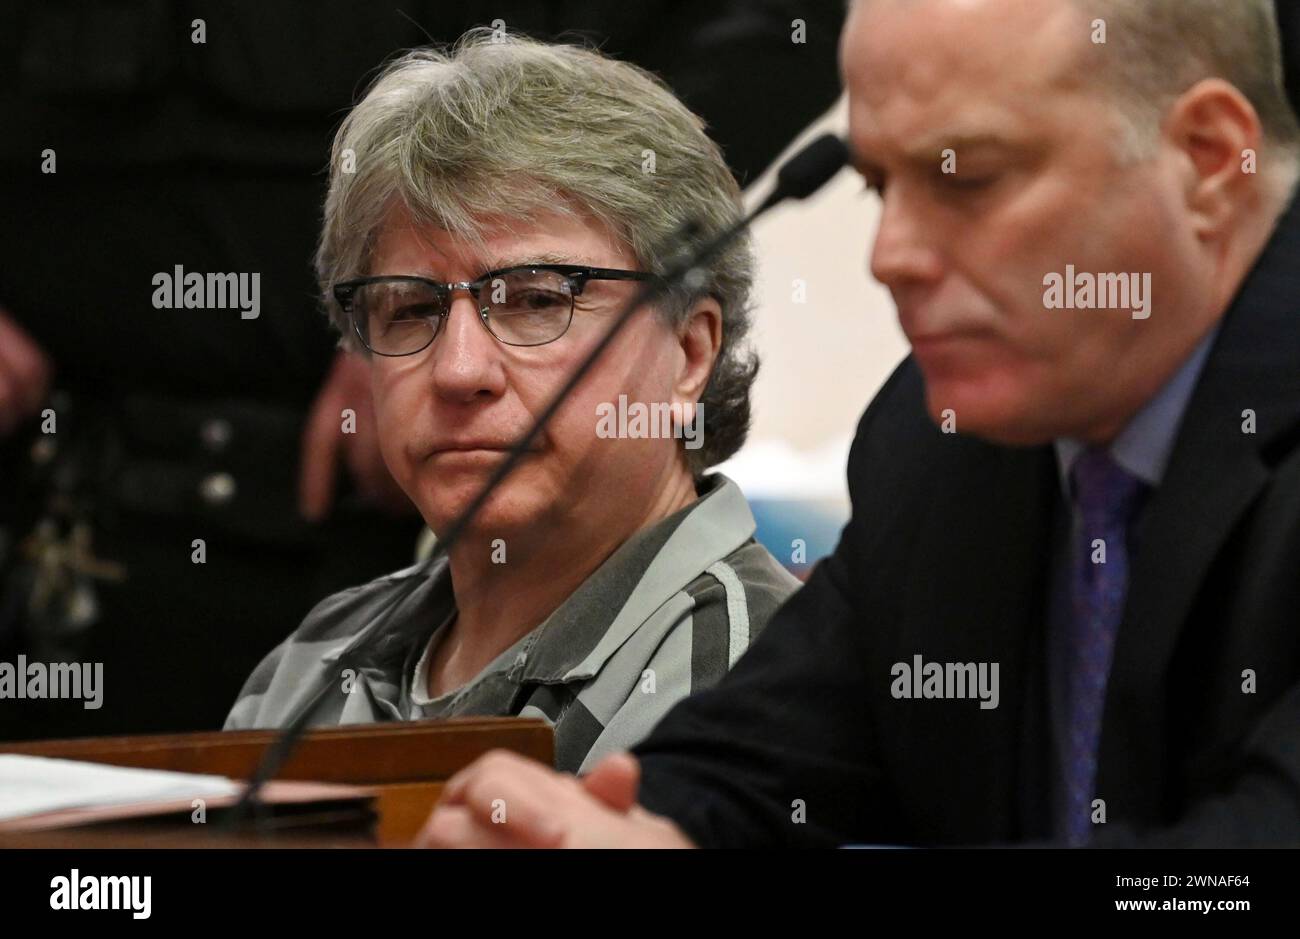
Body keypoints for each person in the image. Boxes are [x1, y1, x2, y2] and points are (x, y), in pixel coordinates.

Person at [416, 0, 1300, 847]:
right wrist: (618, 829)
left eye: (969, 179)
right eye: (880, 185)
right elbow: (756, 762)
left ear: (1208, 159)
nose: (890, 257)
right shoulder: (938, 443)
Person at [224, 33, 800, 774]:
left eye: (534, 300)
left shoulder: (770, 679)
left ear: (689, 353)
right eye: (409, 309)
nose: (459, 369)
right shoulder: (312, 661)